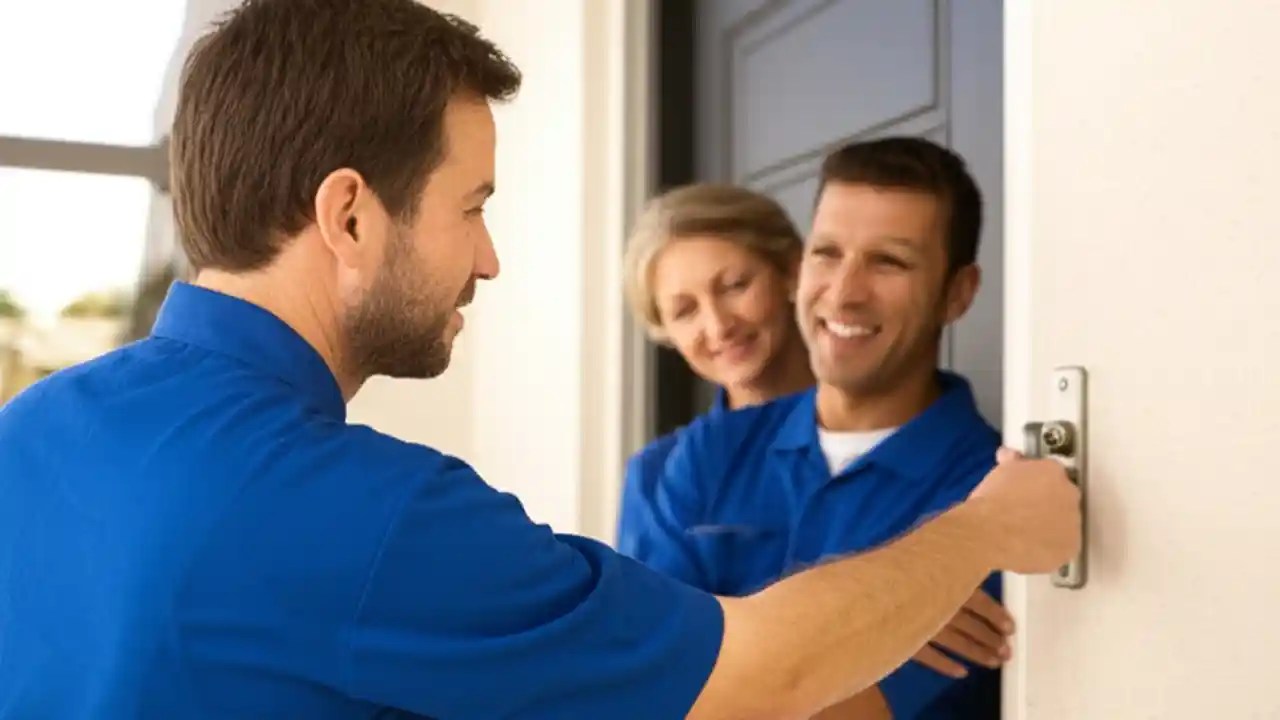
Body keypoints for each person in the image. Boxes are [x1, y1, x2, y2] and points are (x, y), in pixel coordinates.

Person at [0, 2, 1081, 718]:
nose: (488, 255)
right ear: (348, 215)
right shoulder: (368, 515)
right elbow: (756, 671)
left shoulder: (29, 432)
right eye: (468, 206)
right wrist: (989, 529)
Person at [626, 137, 1008, 719]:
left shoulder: (991, 498)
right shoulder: (707, 452)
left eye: (889, 261)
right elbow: (637, 686)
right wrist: (876, 614)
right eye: (828, 253)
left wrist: (726, 643)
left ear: (957, 293)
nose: (845, 292)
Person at [617, 184, 813, 553]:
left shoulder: (871, 428)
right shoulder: (653, 479)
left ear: (791, 272)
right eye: (685, 311)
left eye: (734, 286)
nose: (719, 325)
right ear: (665, 331)